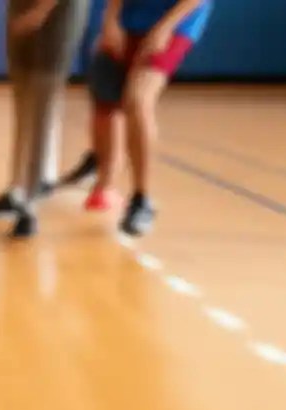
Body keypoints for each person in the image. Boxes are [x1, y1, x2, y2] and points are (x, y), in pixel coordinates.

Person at [88, 0, 212, 235]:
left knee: (138, 99)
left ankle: (141, 199)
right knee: (105, 96)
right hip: (131, 18)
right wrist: (110, 21)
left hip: (176, 23)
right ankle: (103, 182)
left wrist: (164, 28)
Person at [0, 0, 88, 239]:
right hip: (21, 7)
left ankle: (31, 201)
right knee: (22, 95)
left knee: (44, 97)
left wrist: (39, 11)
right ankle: (16, 190)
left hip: (57, 11)